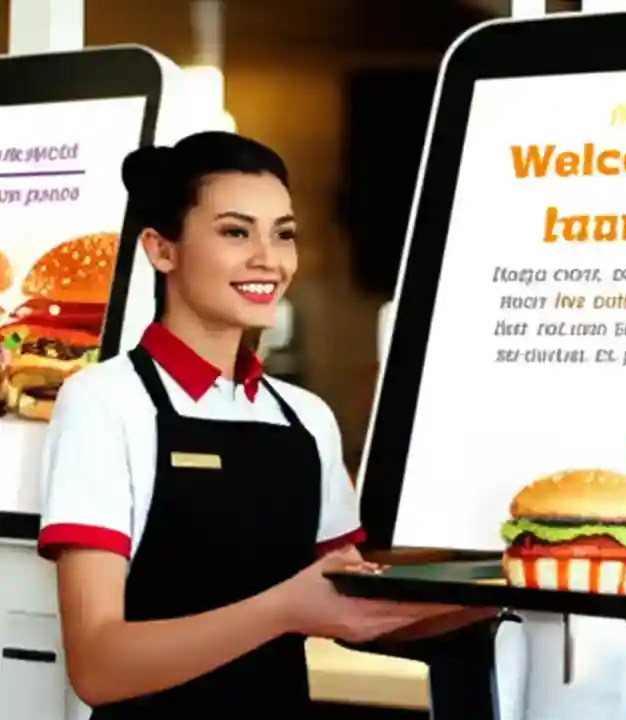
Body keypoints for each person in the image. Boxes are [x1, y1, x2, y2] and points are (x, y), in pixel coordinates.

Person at [36, 131, 490, 717]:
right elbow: (98, 665)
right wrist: (285, 609)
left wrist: (511, 590)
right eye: (235, 232)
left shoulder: (305, 417)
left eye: (283, 234)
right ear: (161, 249)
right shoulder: (103, 402)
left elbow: (354, 612)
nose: (268, 260)